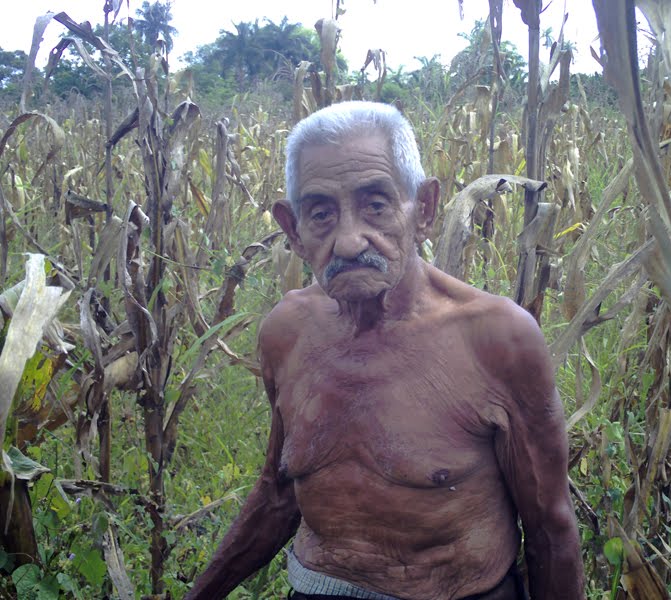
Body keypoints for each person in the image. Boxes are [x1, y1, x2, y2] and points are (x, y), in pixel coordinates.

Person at [186, 101, 584, 600]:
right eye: (321, 214)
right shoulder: (288, 333)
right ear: (292, 230)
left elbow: (550, 529)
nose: (349, 242)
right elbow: (282, 491)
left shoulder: (497, 339)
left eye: (376, 205)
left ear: (425, 210)